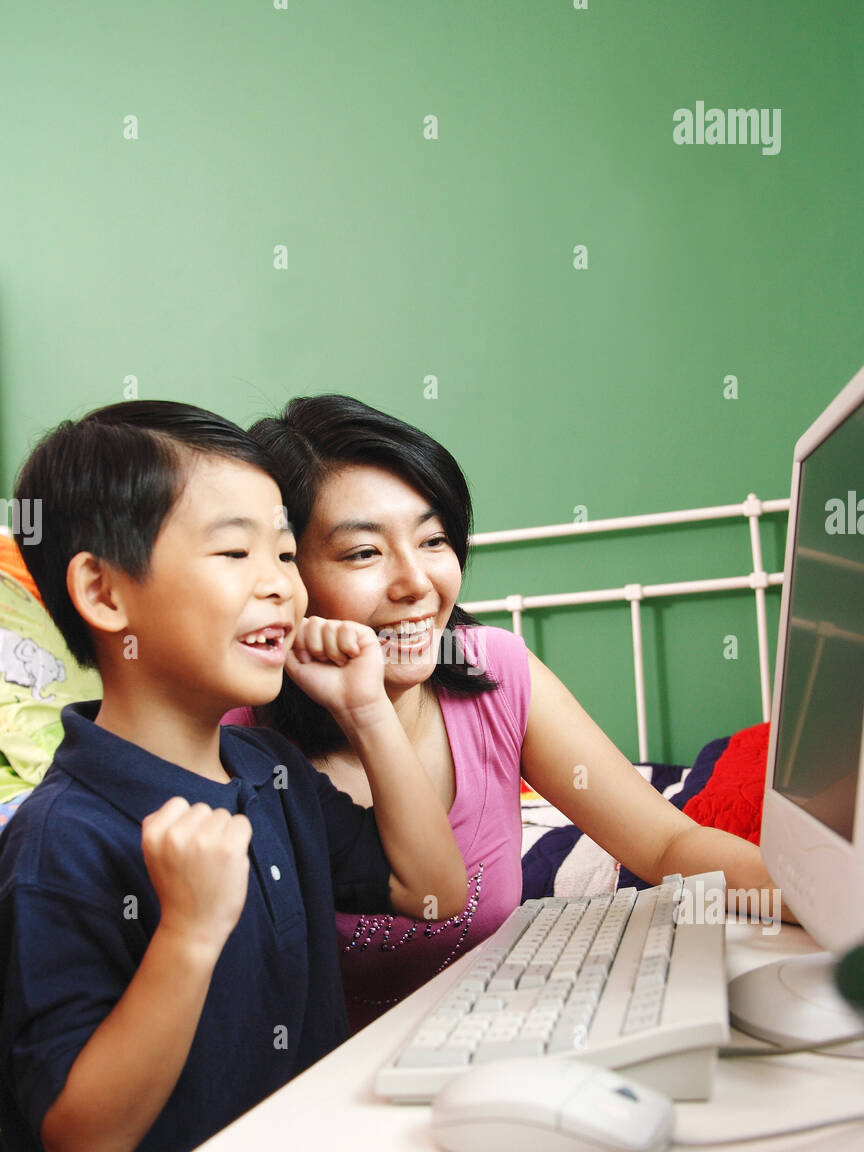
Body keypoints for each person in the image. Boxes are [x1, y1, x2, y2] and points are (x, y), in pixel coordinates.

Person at [0, 401, 466, 1152]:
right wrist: (187, 935)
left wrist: (367, 707)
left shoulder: (270, 768)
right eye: (235, 552)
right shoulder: (57, 845)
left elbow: (435, 893)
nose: (282, 585)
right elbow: (82, 1142)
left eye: (286, 553)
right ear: (104, 593)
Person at [222, 395, 794, 1034]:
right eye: (363, 553)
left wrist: (819, 900)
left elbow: (665, 842)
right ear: (284, 572)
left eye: (434, 539)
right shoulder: (230, 746)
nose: (417, 582)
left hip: (494, 1040)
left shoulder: (493, 673)